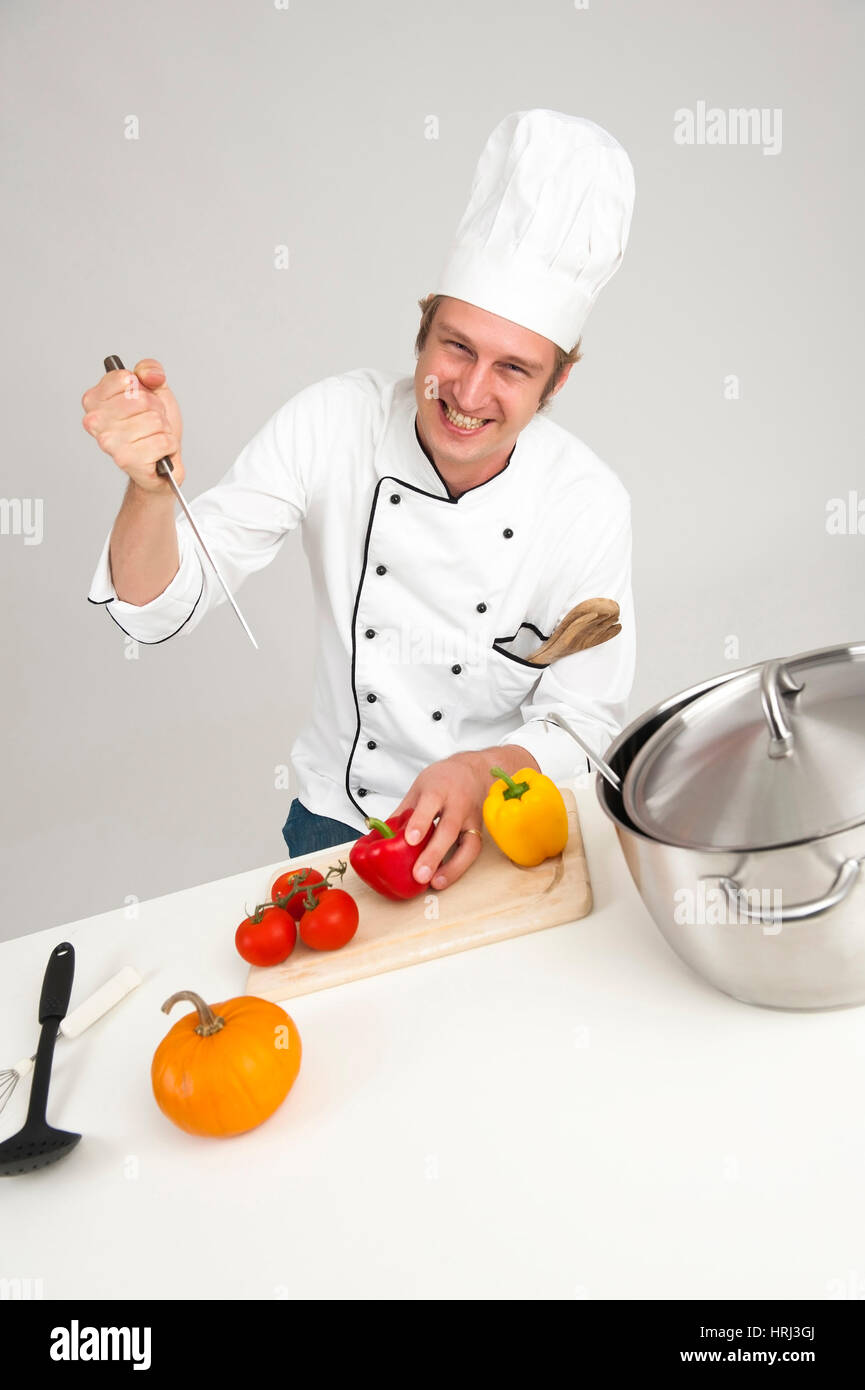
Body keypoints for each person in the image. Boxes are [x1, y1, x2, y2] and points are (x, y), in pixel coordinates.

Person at [82, 109, 636, 892]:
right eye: (456, 346)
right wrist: (147, 492)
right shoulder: (333, 423)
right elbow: (158, 606)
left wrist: (480, 771)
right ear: (421, 331)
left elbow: (584, 727)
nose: (469, 393)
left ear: (558, 382)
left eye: (512, 369)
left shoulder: (585, 505)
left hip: (507, 824)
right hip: (336, 826)